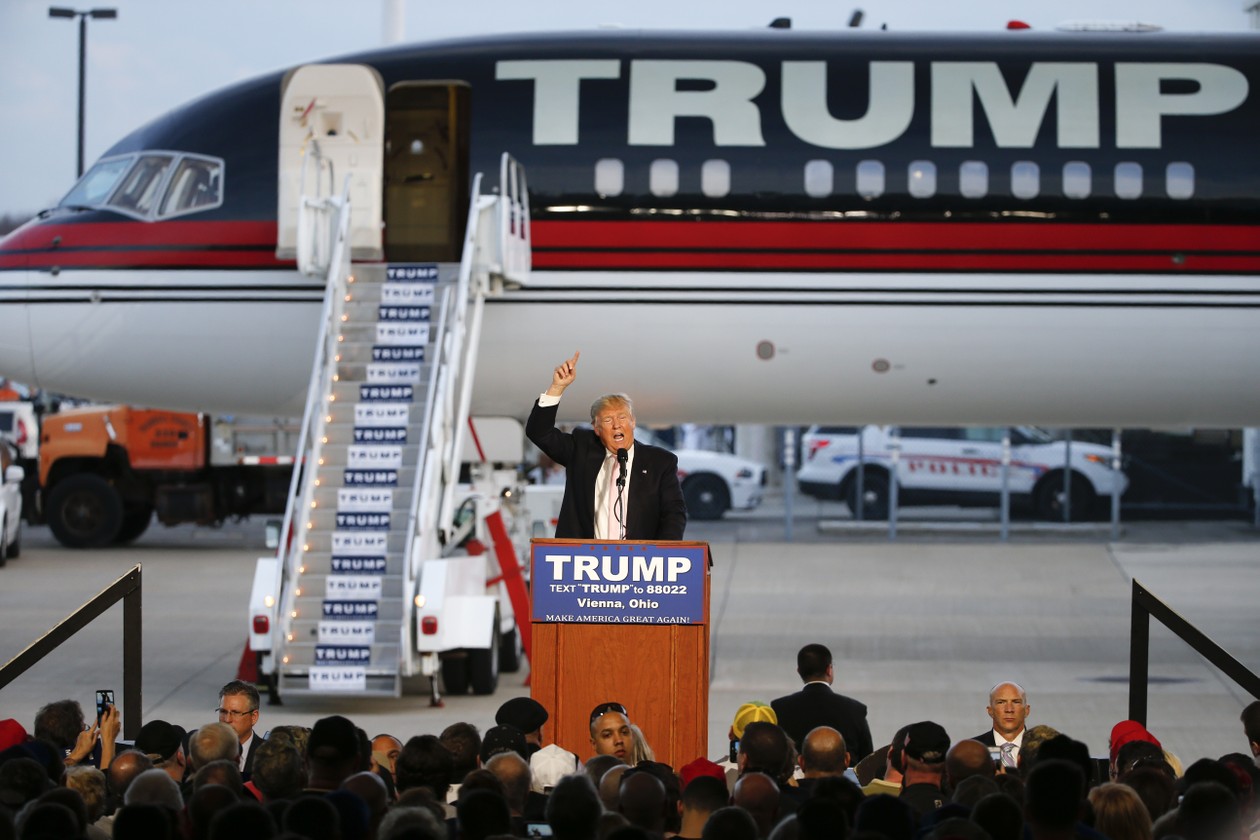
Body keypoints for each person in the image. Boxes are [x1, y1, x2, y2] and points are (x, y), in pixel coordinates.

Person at [525, 351, 687, 541]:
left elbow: (673, 514)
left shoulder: (660, 462)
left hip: (639, 562)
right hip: (583, 561)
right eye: (608, 420)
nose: (617, 425)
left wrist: (662, 555)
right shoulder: (580, 449)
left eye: (622, 418)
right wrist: (556, 388)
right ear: (596, 428)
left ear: (633, 422)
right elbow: (539, 432)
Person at [771, 643, 873, 763]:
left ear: (799, 671)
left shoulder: (779, 708)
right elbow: (867, 761)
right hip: (843, 781)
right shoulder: (855, 710)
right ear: (829, 670)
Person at [972, 682, 1031, 771]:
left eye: (1016, 702)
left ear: (1027, 710)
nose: (1009, 709)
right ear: (990, 711)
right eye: (1001, 702)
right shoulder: (973, 749)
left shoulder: (1044, 749)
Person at [215, 681, 264, 779]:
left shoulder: (268, 756)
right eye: (223, 711)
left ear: (254, 717)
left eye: (236, 713)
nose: (227, 719)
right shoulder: (206, 752)